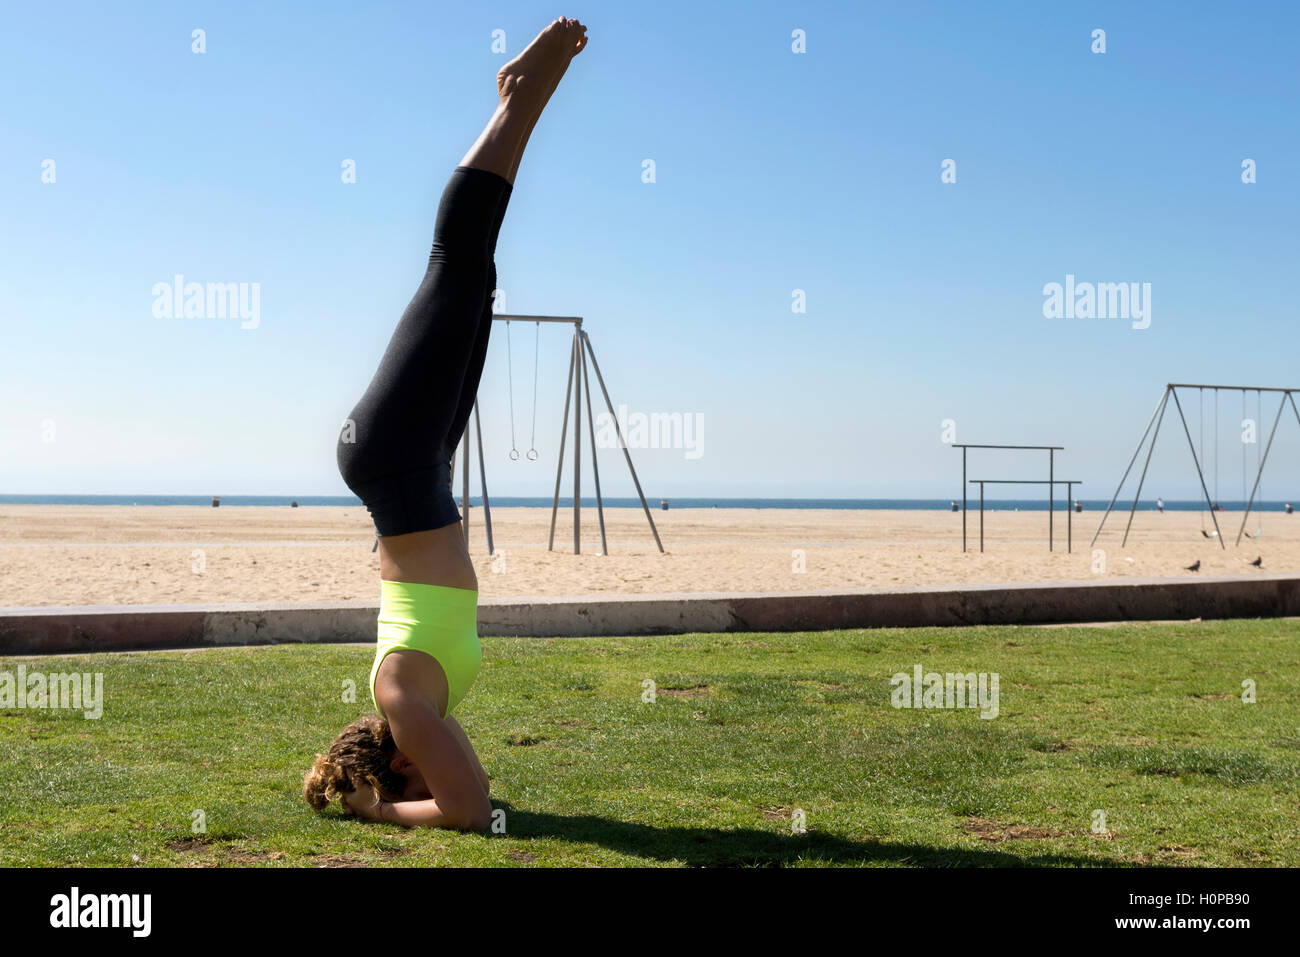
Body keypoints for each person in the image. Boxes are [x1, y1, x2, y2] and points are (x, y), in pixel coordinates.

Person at [304, 17, 589, 829]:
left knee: (454, 263)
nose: (424, 771)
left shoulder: (403, 700)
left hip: (395, 460)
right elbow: (470, 790)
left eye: (407, 779)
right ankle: (519, 106)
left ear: (395, 763)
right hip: (412, 467)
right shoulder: (420, 704)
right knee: (479, 279)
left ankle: (517, 102)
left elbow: (468, 811)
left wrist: (374, 816)